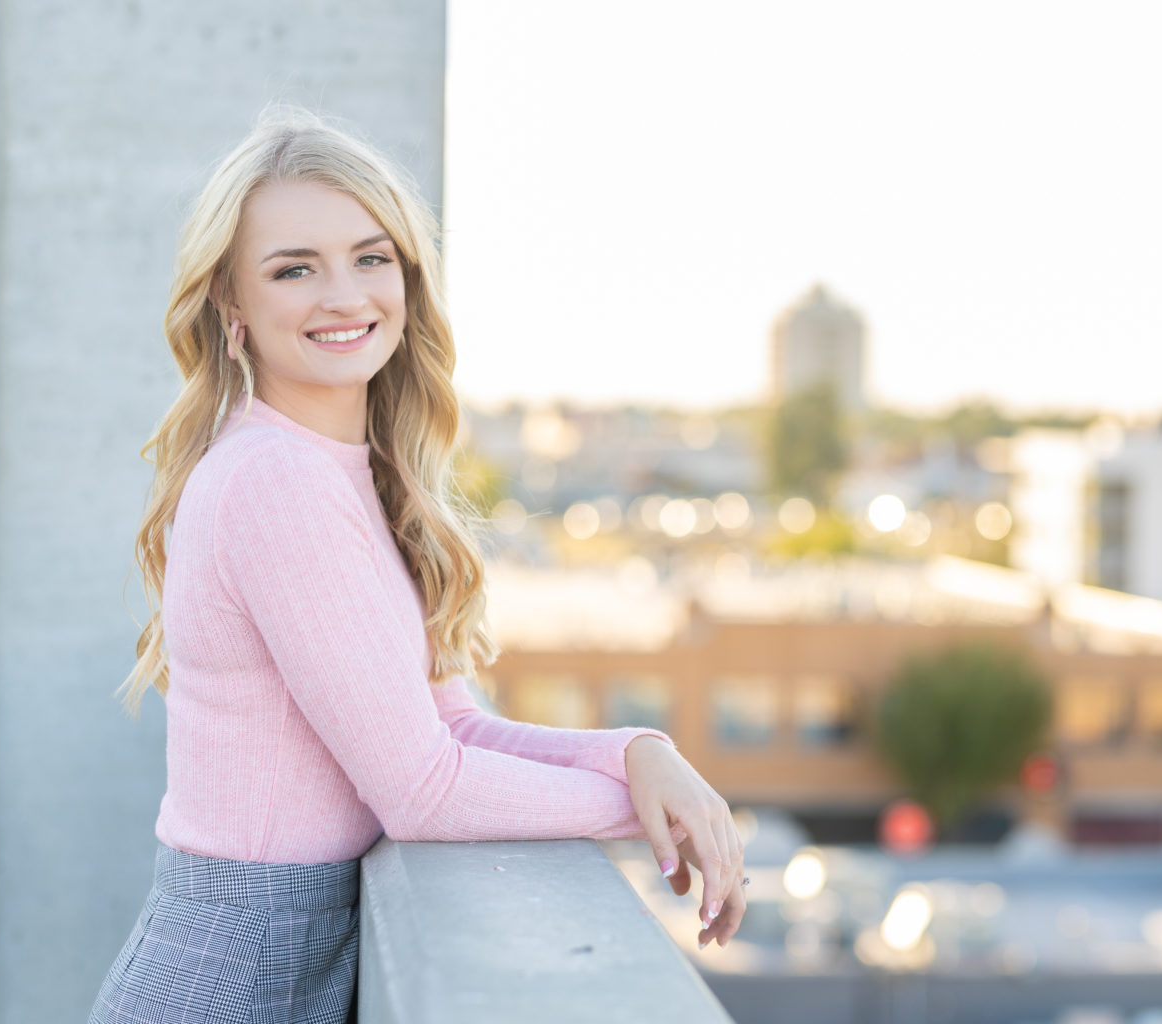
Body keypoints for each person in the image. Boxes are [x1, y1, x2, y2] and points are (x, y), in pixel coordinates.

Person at [87, 105, 746, 1024]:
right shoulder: (275, 479)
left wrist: (638, 751)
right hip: (234, 980)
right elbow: (424, 791)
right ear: (230, 307)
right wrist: (639, 810)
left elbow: (445, 726)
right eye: (293, 269)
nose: (345, 294)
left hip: (277, 966)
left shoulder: (339, 472)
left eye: (371, 256)